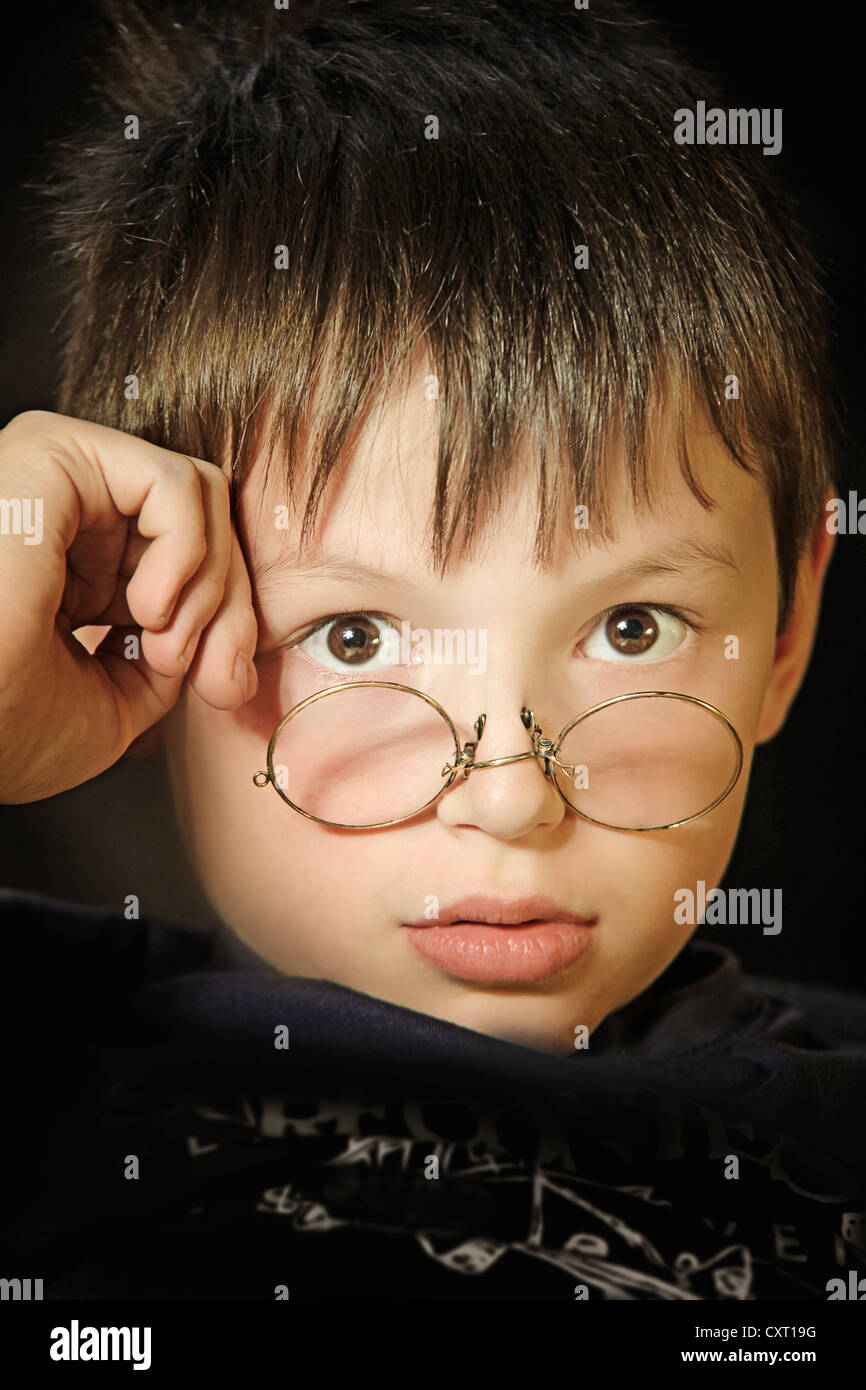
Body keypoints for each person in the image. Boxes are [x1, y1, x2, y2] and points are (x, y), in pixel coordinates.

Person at [1, 0, 863, 1301]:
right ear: (135, 616)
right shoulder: (41, 1074)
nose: (512, 794)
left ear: (786, 630)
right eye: (351, 633)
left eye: (631, 628)